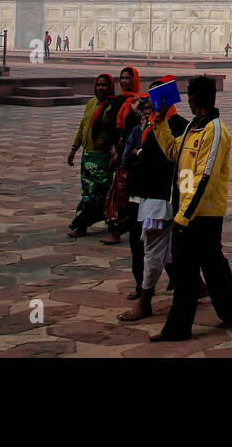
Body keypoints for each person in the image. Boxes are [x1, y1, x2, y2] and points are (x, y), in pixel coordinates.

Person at [148, 75, 232, 341]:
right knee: (212, 264)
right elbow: (174, 153)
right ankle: (231, 309)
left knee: (186, 272)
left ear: (194, 100)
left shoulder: (215, 130)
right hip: (189, 209)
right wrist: (160, 124)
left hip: (201, 214)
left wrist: (183, 216)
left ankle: (178, 327)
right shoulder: (195, 127)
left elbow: (205, 176)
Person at [118, 79, 187, 322]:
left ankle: (145, 300)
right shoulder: (147, 127)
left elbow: (172, 161)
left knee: (154, 251)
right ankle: (196, 285)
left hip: (163, 197)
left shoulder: (176, 126)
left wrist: (142, 156)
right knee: (167, 249)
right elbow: (130, 158)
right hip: (152, 195)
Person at [67, 73, 115, 237]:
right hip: (88, 156)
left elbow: (117, 133)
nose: (100, 88)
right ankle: (84, 224)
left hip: (103, 157)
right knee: (88, 192)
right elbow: (83, 126)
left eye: (104, 85)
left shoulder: (112, 106)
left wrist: (115, 155)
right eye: (98, 85)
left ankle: (86, 224)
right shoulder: (91, 103)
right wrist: (74, 149)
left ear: (110, 87)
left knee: (100, 193)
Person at [101, 67, 144, 245]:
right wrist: (114, 154)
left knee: (133, 194)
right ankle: (115, 230)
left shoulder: (140, 102)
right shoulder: (117, 102)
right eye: (122, 78)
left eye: (128, 78)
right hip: (120, 154)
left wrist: (137, 111)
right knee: (117, 194)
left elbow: (147, 124)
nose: (124, 81)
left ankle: (134, 227)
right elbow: (111, 130)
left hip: (136, 155)